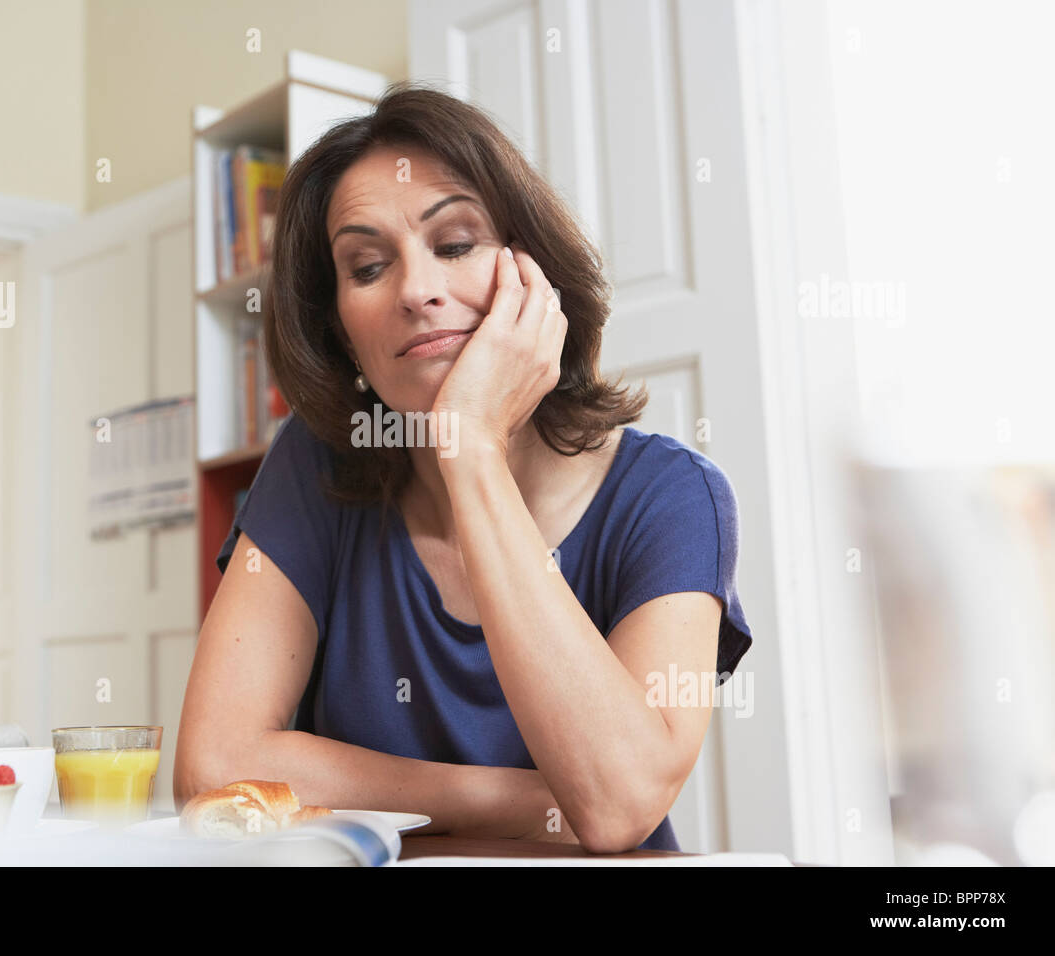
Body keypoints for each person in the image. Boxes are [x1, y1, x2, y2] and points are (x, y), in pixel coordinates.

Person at [174, 82, 753, 853]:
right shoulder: (314, 467)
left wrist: (470, 447)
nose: (417, 291)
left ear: (534, 276)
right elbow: (214, 767)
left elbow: (617, 805)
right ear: (343, 334)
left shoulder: (673, 497)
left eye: (454, 245)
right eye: (368, 266)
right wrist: (531, 799)